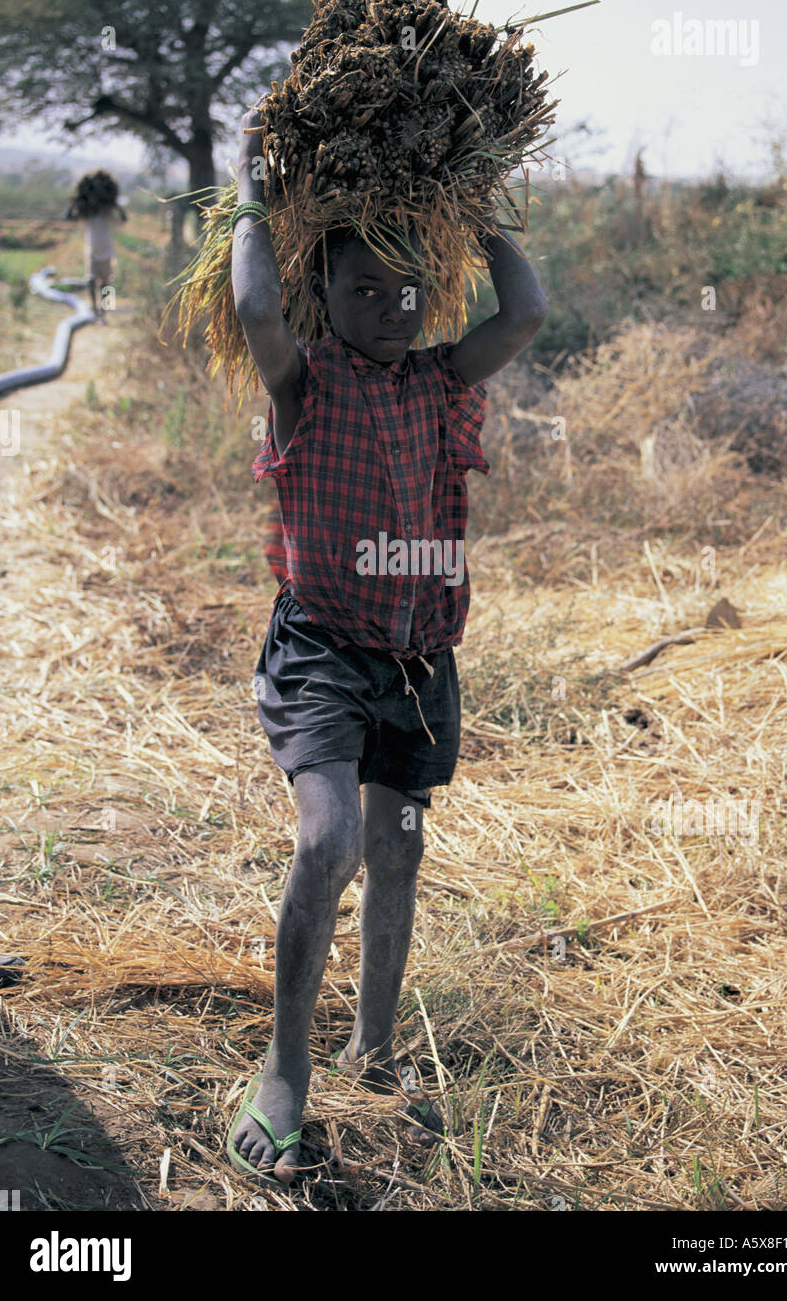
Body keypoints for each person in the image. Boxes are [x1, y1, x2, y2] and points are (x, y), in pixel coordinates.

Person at [228, 109, 548, 1184]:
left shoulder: (440, 380)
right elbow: (252, 304)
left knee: (397, 843)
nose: (389, 308)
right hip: (322, 651)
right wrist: (249, 201)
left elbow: (529, 308)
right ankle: (283, 1072)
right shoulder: (303, 384)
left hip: (417, 667)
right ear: (328, 297)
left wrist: (475, 206)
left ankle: (372, 1044)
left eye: (409, 290)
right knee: (329, 841)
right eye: (365, 289)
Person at [65, 185, 126, 320]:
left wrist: (116, 205)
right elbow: (69, 217)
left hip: (107, 253)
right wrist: (75, 202)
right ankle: (94, 309)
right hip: (92, 252)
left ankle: (104, 312)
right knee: (91, 281)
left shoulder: (109, 214)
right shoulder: (89, 215)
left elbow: (124, 218)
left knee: (106, 284)